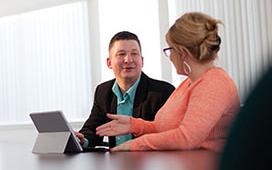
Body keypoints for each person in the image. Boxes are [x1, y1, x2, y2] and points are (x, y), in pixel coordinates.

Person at [96, 12, 240, 152]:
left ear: (182, 52)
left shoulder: (214, 83)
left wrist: (135, 144)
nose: (170, 57)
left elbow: (186, 138)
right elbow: (165, 128)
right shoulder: (189, 83)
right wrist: (134, 125)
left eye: (170, 49)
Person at [75, 31, 175, 148]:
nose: (128, 60)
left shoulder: (163, 92)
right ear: (109, 63)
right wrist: (82, 140)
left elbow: (170, 134)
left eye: (134, 54)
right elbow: (93, 130)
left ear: (142, 61)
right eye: (121, 54)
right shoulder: (103, 91)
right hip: (114, 162)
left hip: (151, 162)